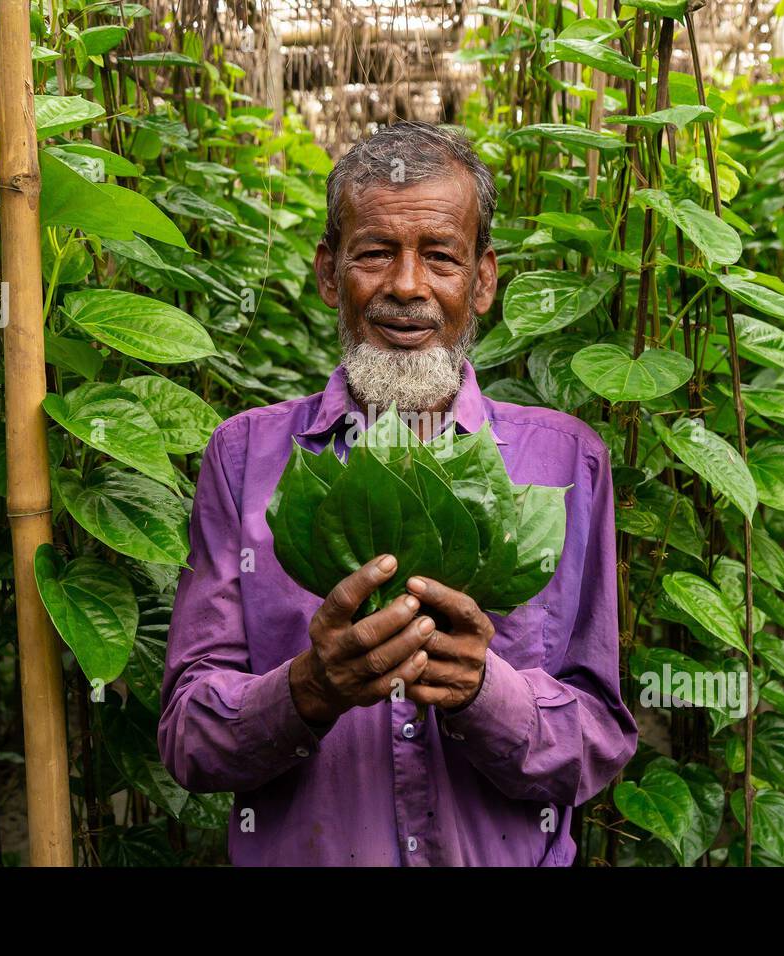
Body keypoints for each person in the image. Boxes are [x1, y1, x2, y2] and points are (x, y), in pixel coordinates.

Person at [158, 120, 637, 865]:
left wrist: (488, 694)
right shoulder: (244, 457)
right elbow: (189, 740)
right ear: (327, 275)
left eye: (439, 256)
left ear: (482, 280)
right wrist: (308, 690)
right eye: (375, 253)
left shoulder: (565, 461)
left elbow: (597, 742)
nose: (407, 286)